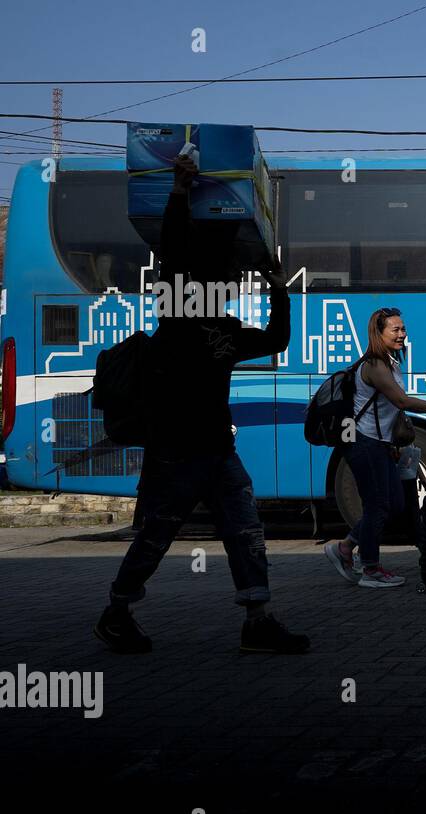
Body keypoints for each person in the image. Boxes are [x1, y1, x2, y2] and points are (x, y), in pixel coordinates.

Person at [94, 153, 309, 654]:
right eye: (226, 278)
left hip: (214, 448)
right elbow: (173, 252)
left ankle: (257, 619)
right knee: (159, 534)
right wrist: (178, 191)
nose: (230, 285)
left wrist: (277, 289)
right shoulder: (182, 319)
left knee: (244, 528)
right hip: (177, 450)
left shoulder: (221, 330)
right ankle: (117, 612)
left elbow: (275, 338)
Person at [322, 307, 426, 588]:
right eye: (395, 330)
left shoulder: (389, 363)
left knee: (395, 504)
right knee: (378, 505)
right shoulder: (375, 365)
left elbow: (389, 409)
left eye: (403, 329)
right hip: (364, 444)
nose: (402, 334)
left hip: (379, 444)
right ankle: (370, 570)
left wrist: (392, 443)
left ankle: (344, 547)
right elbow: (402, 402)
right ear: (379, 333)